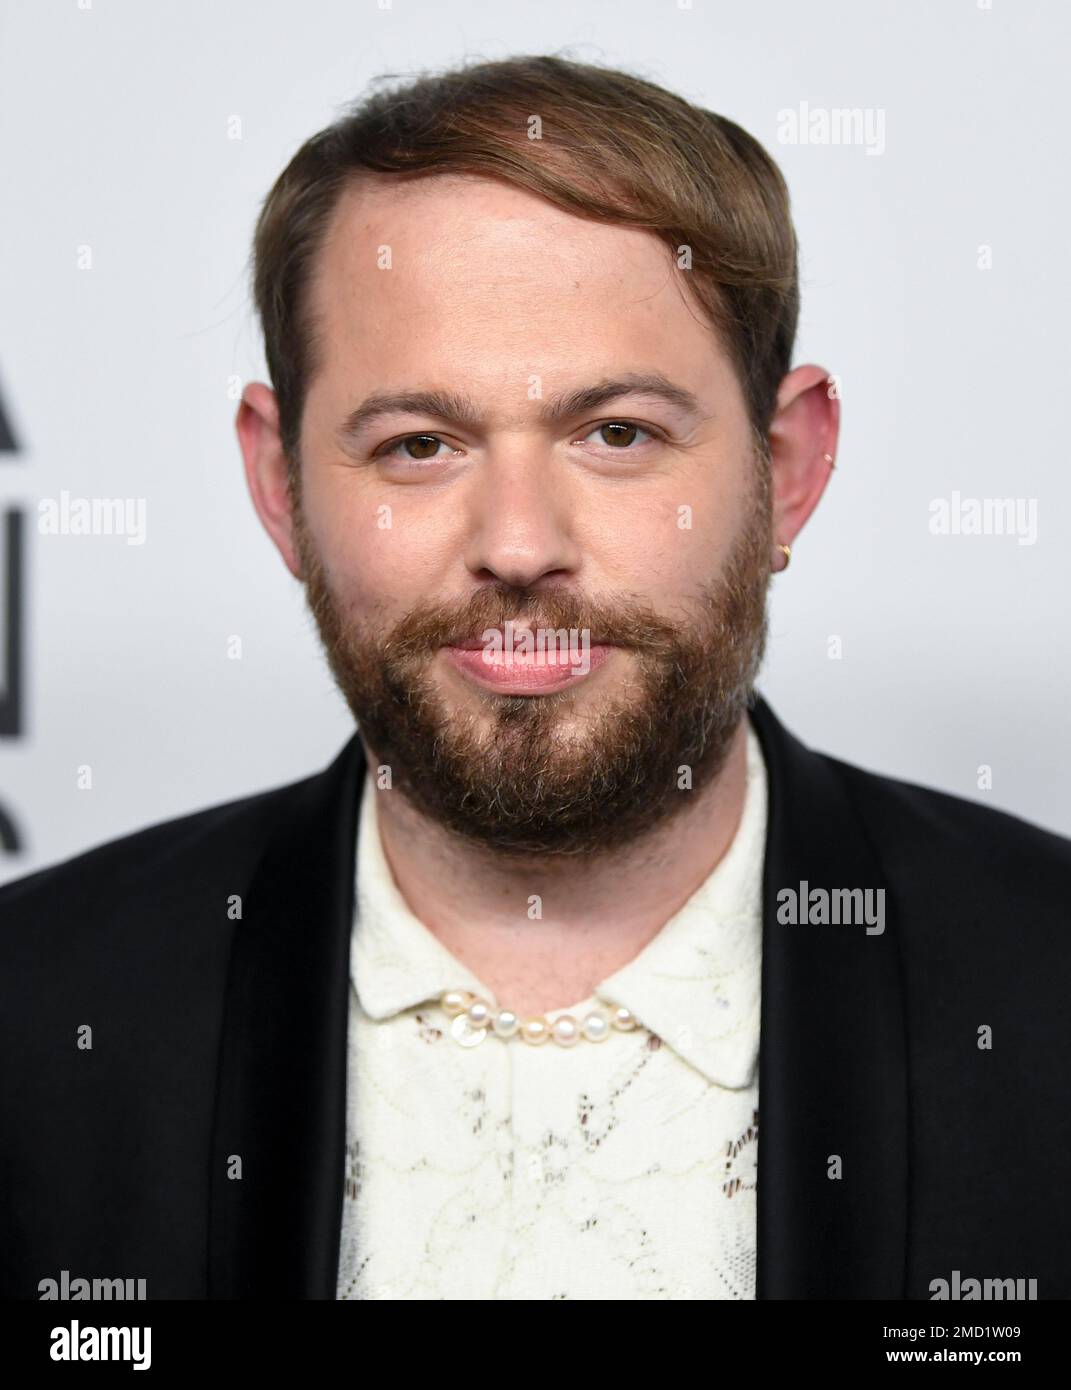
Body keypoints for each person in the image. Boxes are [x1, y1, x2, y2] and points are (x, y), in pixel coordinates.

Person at [2, 54, 1068, 1302]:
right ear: (280, 487)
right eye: (419, 444)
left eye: (617, 434)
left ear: (788, 467)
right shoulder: (34, 1018)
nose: (517, 542)